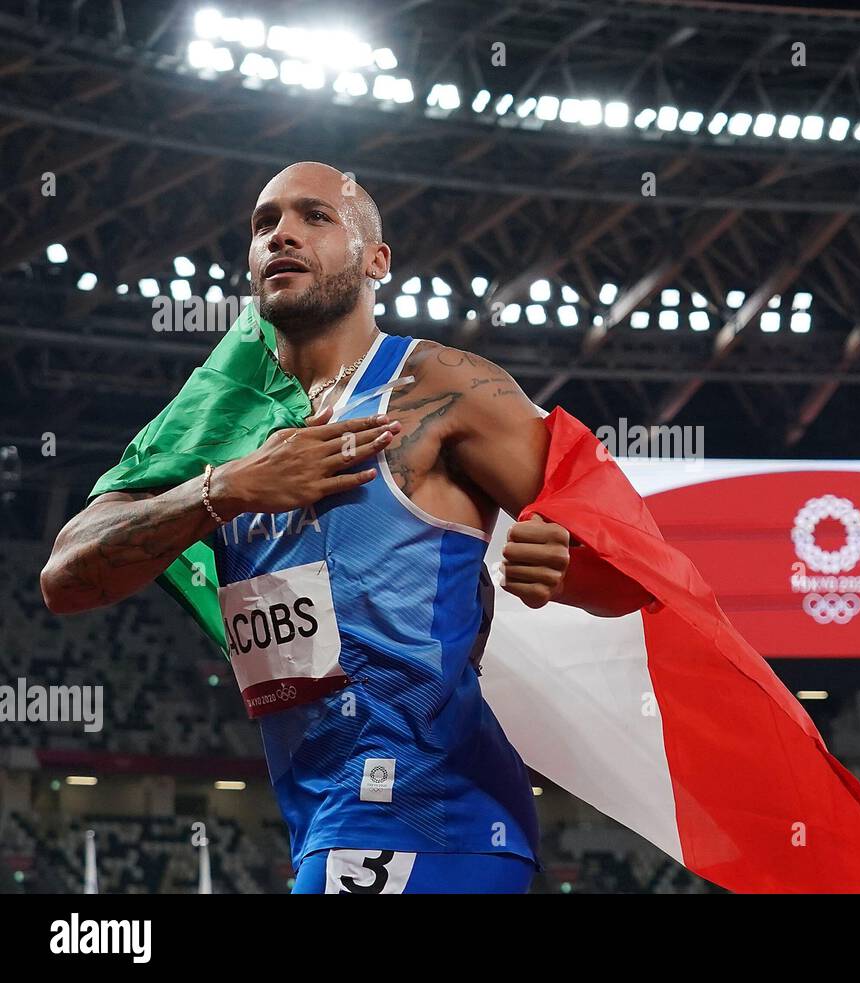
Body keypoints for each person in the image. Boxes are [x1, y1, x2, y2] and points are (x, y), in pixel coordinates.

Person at [40, 161, 652, 894]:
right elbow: (65, 580)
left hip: (430, 811)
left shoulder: (444, 389)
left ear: (376, 260)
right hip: (325, 819)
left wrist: (570, 564)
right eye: (264, 223)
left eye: (314, 216)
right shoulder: (222, 429)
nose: (282, 235)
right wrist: (228, 488)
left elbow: (635, 569)